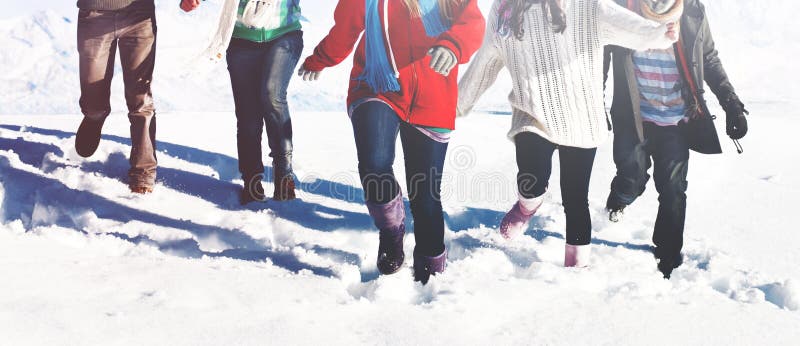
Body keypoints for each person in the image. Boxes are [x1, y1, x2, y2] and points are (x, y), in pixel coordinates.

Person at [458, 0, 676, 268]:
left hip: (580, 117)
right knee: (531, 177)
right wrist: (456, 103)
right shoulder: (505, 9)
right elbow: (487, 61)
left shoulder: (586, 5)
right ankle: (527, 205)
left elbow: (624, 24)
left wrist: (658, 33)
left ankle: (576, 268)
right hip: (532, 114)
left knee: (575, 198)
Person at [299, 0, 484, 284]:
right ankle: (391, 226)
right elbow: (346, 27)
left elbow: (472, 22)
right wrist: (321, 58)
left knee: (425, 195)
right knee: (374, 163)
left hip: (433, 97)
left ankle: (431, 271)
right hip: (376, 85)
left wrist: (452, 46)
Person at [603, 0, 748, 278]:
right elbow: (601, 55)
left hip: (677, 120)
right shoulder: (623, 7)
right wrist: (594, 101)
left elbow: (708, 58)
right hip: (634, 116)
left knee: (673, 190)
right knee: (631, 178)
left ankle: (667, 253)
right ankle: (621, 197)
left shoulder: (691, 11)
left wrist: (732, 104)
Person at [181, 0, 305, 203]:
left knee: (272, 95)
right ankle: (251, 180)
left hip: (284, 34)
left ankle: (284, 176)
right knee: (248, 115)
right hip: (241, 38)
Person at [75, 0, 158, 194]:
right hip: (95, 12)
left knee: (141, 98)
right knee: (93, 96)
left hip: (140, 13)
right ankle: (94, 115)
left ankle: (143, 172)